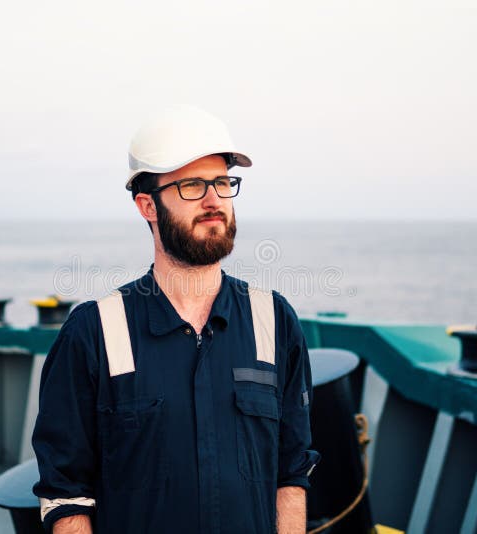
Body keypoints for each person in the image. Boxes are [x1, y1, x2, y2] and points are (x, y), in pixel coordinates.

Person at [32, 105, 320, 534]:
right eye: (191, 186)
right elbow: (66, 495)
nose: (213, 201)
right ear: (147, 206)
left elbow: (291, 475)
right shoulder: (94, 332)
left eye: (222, 183)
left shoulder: (273, 320)